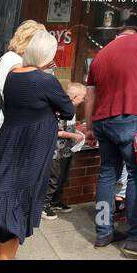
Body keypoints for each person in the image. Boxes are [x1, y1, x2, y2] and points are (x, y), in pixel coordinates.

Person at [0, 29, 74, 259]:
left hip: (8, 142)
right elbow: (68, 110)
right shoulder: (45, 80)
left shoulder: (13, 76)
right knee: (18, 204)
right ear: (47, 55)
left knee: (4, 198)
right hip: (31, 149)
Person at [85, 27, 137, 259]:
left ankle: (103, 231)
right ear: (133, 34)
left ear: (117, 37)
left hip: (102, 122)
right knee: (136, 175)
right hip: (131, 117)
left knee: (107, 174)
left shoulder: (100, 56)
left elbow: (90, 94)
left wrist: (89, 126)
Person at [44, 82, 86, 218]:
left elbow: (68, 126)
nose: (84, 100)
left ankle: (55, 201)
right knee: (53, 178)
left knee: (62, 177)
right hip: (56, 151)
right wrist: (73, 135)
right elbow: (55, 131)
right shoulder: (60, 110)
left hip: (67, 150)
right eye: (82, 97)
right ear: (74, 97)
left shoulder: (72, 111)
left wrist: (78, 129)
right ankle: (44, 205)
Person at [0, 20, 41, 132]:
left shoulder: (9, 57)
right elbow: (23, 96)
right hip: (5, 124)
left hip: (2, 121)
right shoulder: (17, 63)